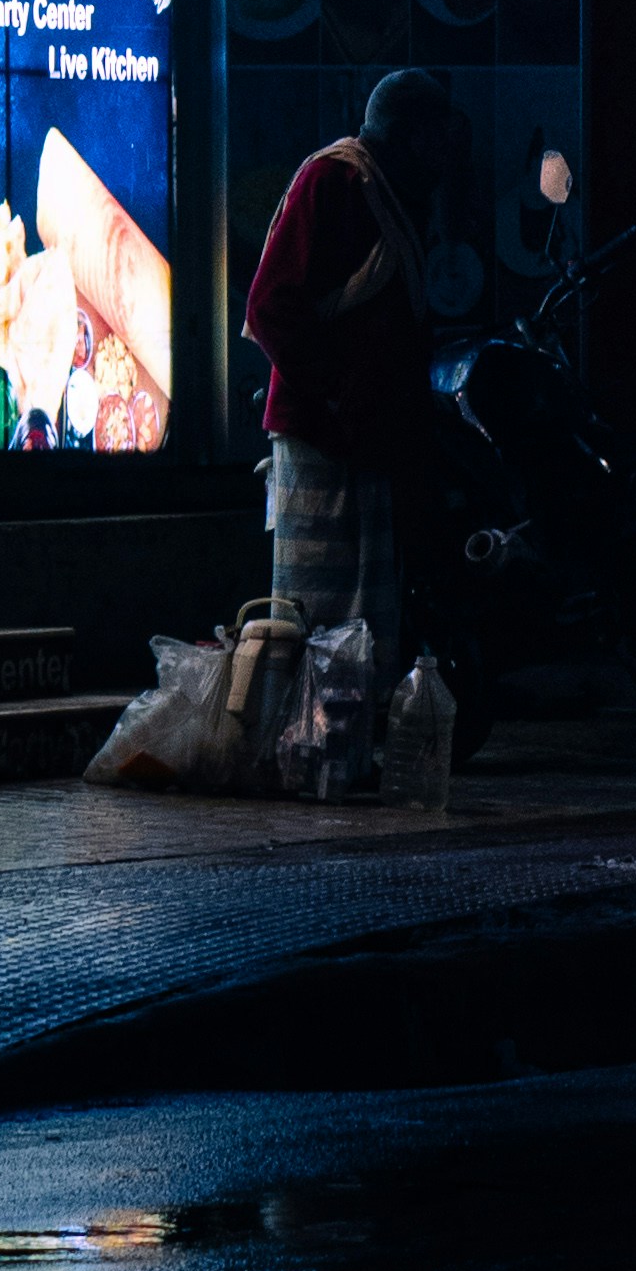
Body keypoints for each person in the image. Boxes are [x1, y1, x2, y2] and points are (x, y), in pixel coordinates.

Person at [244, 70, 462, 758]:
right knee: (320, 605)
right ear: (402, 134)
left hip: (371, 437)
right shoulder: (335, 181)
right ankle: (306, 749)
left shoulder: (391, 192)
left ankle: (348, 748)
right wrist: (337, 389)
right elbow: (268, 306)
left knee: (366, 606)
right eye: (432, 138)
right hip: (322, 433)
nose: (442, 154)